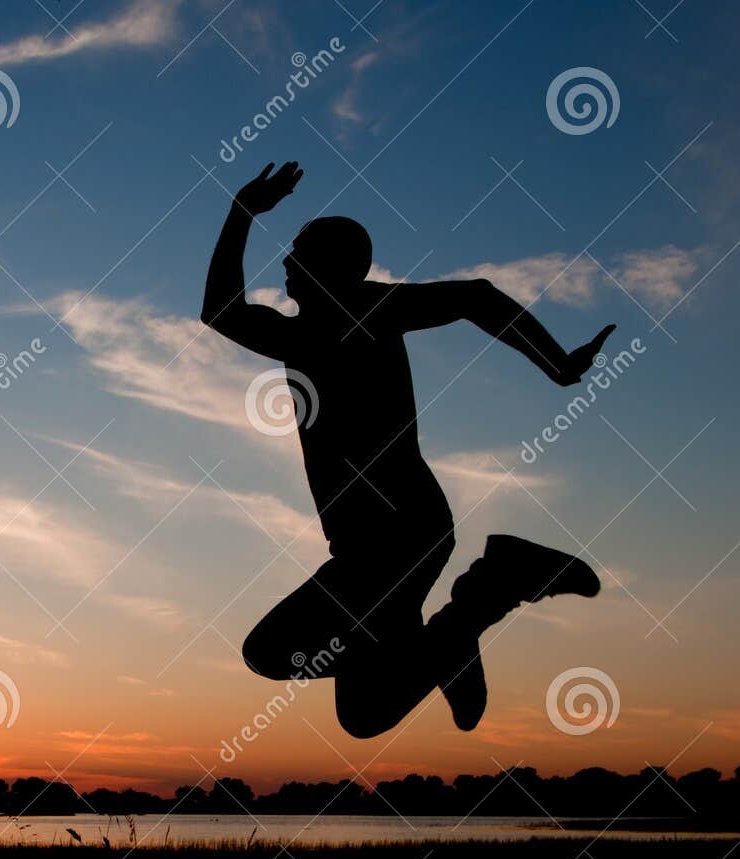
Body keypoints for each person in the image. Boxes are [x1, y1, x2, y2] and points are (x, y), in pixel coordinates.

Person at [201, 161, 613, 738]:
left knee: (270, 652)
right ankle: (473, 611)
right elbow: (221, 311)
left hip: (397, 537)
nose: (287, 262)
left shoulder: (369, 310)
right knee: (364, 713)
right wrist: (242, 210)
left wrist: (557, 364)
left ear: (333, 266)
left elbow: (476, 297)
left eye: (299, 252)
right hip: (373, 543)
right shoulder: (299, 335)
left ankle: (482, 601)